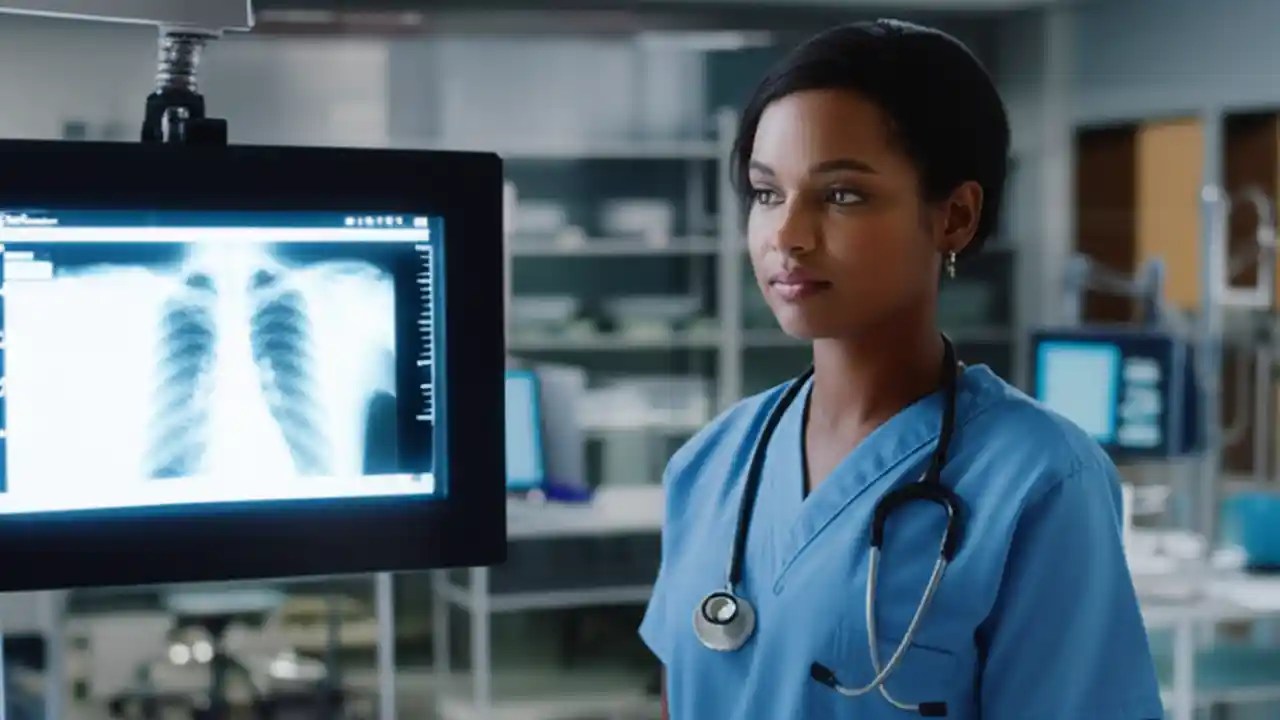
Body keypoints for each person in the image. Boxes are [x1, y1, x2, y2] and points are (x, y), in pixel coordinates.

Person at [638, 19, 1164, 720]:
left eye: (842, 195)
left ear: (955, 218)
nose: (787, 236)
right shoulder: (711, 464)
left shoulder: (1039, 481)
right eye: (767, 193)